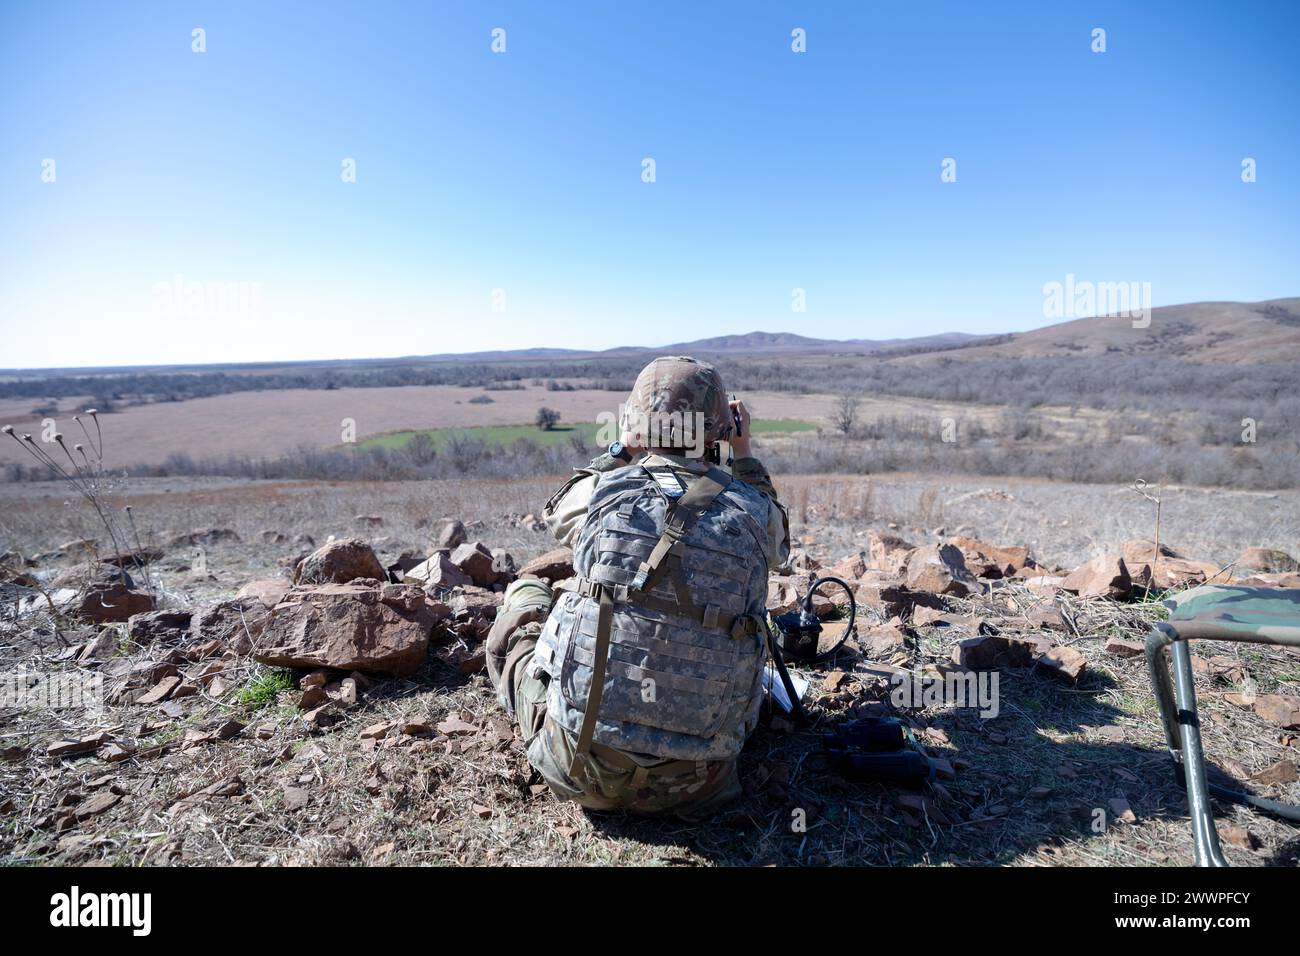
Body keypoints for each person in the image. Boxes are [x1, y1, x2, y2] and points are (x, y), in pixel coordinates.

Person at [485, 356, 790, 819]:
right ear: (720, 431)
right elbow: (777, 542)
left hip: (578, 771)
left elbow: (557, 510)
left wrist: (622, 448)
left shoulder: (603, 492)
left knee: (528, 597)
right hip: (700, 784)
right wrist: (744, 450)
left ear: (639, 426)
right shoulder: (753, 512)